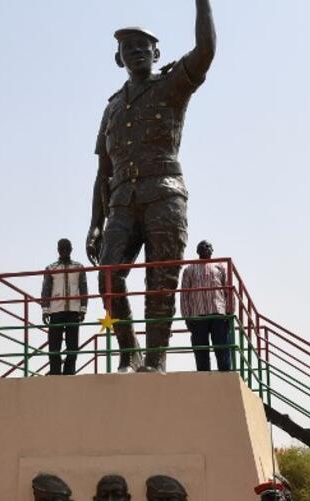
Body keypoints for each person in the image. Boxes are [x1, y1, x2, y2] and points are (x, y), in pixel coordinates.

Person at [85, 0, 217, 374]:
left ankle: (156, 359)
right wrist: (94, 223)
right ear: (119, 58)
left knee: (161, 280)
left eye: (144, 46)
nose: (137, 52)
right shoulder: (112, 108)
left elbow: (205, 51)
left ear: (157, 54)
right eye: (129, 48)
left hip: (164, 193)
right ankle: (130, 353)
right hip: (121, 201)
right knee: (108, 275)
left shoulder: (171, 86)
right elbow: (103, 171)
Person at [179, 240, 232, 371]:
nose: (206, 248)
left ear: (212, 250)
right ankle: (203, 374)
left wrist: (229, 313)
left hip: (218, 313)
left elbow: (228, 291)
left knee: (221, 346)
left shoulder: (220, 267)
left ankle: (225, 373)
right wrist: (187, 317)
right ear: (197, 251)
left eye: (208, 246)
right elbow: (184, 296)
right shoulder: (189, 270)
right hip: (198, 314)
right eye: (202, 246)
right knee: (200, 348)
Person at [40, 238, 89, 375]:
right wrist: (45, 310)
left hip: (74, 310)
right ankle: (55, 371)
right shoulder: (51, 268)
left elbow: (83, 288)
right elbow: (46, 290)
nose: (64, 251)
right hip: (56, 311)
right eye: (62, 249)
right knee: (54, 344)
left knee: (72, 345)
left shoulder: (79, 267)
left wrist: (83, 309)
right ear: (58, 250)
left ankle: (69, 371)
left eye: (67, 248)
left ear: (71, 249)